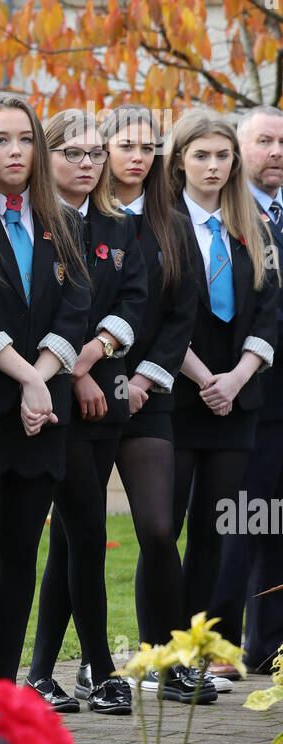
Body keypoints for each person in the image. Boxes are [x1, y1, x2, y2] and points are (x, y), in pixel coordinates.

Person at [0, 92, 91, 685]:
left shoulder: (59, 220)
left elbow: (75, 308)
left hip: (43, 420)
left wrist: (44, 378)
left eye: (26, 139)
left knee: (21, 560)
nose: (16, 152)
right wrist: (28, 376)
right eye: (1, 140)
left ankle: (2, 693)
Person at [27, 108, 147, 715]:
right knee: (84, 532)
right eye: (71, 152)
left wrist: (91, 359)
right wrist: (68, 373)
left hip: (104, 397)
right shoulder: (33, 220)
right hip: (47, 397)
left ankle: (45, 673)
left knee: (79, 535)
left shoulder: (120, 224)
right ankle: (101, 671)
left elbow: (135, 299)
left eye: (94, 154)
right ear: (47, 157)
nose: (86, 163)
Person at [99, 105, 211, 705]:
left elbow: (181, 311)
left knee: (161, 529)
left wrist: (147, 378)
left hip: (151, 395)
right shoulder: (85, 214)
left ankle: (171, 665)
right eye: (126, 145)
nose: (138, 157)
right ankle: (63, 668)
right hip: (89, 392)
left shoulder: (169, 222)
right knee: (77, 535)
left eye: (149, 147)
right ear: (105, 150)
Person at [168, 110, 278, 650]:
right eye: (200, 155)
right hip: (178, 394)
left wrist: (235, 379)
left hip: (238, 398)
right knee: (163, 532)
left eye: (221, 156)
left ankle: (200, 647)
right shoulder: (159, 225)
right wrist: (204, 377)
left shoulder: (253, 228)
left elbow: (269, 312)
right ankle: (163, 652)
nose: (213, 166)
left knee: (218, 530)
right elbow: (157, 315)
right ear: (181, 160)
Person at [211, 105, 283, 676]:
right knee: (235, 520)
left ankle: (269, 647)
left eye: (282, 143)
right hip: (239, 394)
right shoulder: (224, 220)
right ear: (240, 149)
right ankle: (219, 648)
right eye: (264, 142)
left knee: (275, 523)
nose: (276, 152)